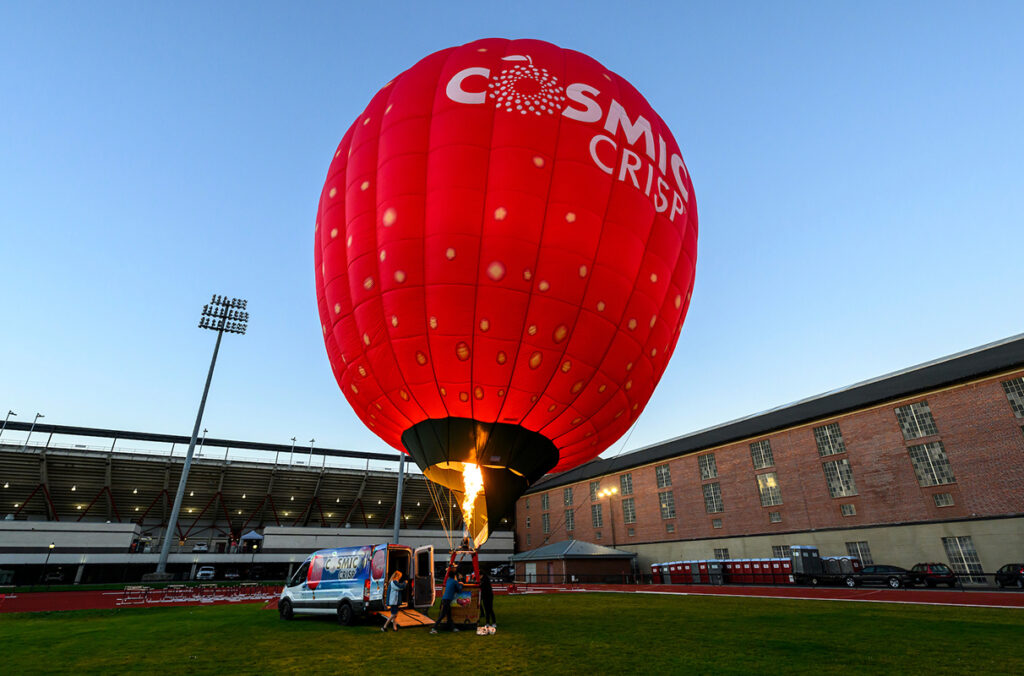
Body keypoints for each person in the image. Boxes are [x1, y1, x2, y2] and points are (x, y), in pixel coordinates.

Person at [430, 566, 462, 634]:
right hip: (448, 600)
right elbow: (459, 591)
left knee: (449, 615)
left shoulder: (448, 581)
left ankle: (453, 628)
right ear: (454, 576)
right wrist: (461, 584)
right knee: (442, 615)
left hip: (444, 599)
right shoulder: (454, 581)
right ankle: (434, 628)